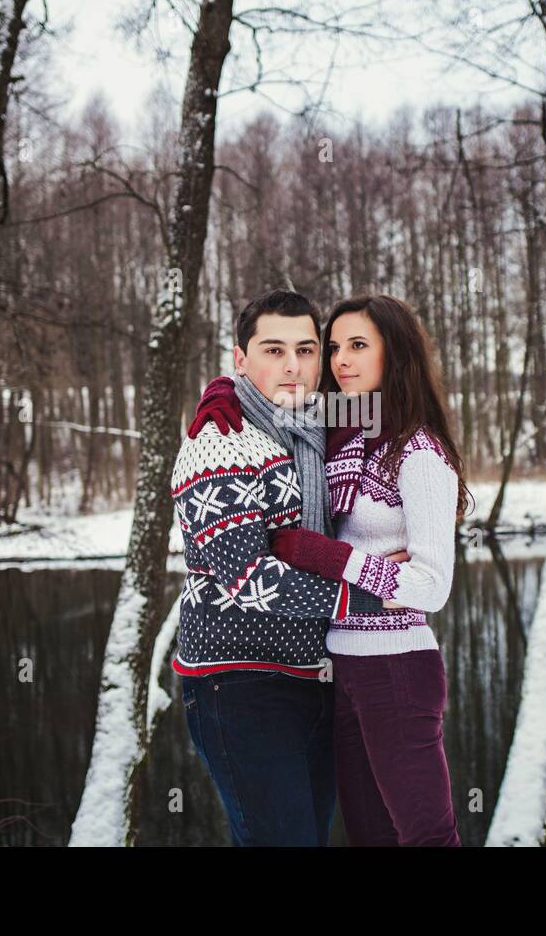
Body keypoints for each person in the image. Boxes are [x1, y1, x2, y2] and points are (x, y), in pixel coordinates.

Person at [190, 294, 469, 846]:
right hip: (299, 673)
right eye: (334, 346)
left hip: (385, 665)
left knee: (422, 836)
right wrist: (221, 391)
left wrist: (332, 559)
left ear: (397, 353)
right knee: (364, 835)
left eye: (356, 346)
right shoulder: (325, 430)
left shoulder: (400, 445)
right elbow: (268, 396)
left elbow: (432, 587)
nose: (338, 361)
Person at [169, 288, 394, 847]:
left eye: (306, 349)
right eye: (273, 350)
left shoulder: (316, 419)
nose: (293, 366)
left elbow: (400, 403)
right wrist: (375, 593)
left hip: (315, 675)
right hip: (238, 682)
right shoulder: (221, 441)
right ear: (240, 360)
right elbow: (251, 580)